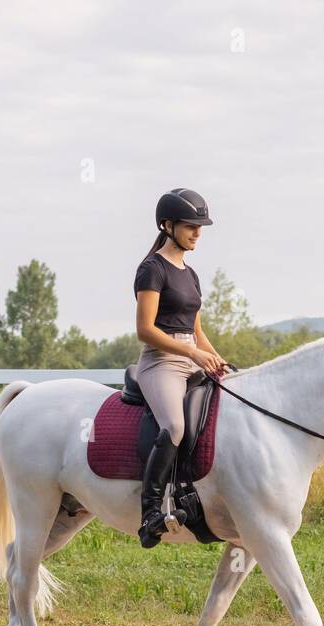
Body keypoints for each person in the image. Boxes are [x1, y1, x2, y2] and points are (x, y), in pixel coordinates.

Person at [133, 188, 229, 547]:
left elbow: (197, 331)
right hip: (161, 363)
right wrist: (191, 354)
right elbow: (146, 329)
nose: (198, 233)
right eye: (191, 226)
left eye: (201, 227)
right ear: (168, 225)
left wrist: (216, 360)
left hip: (192, 358)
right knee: (174, 425)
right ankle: (150, 513)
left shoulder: (190, 274)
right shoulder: (152, 270)